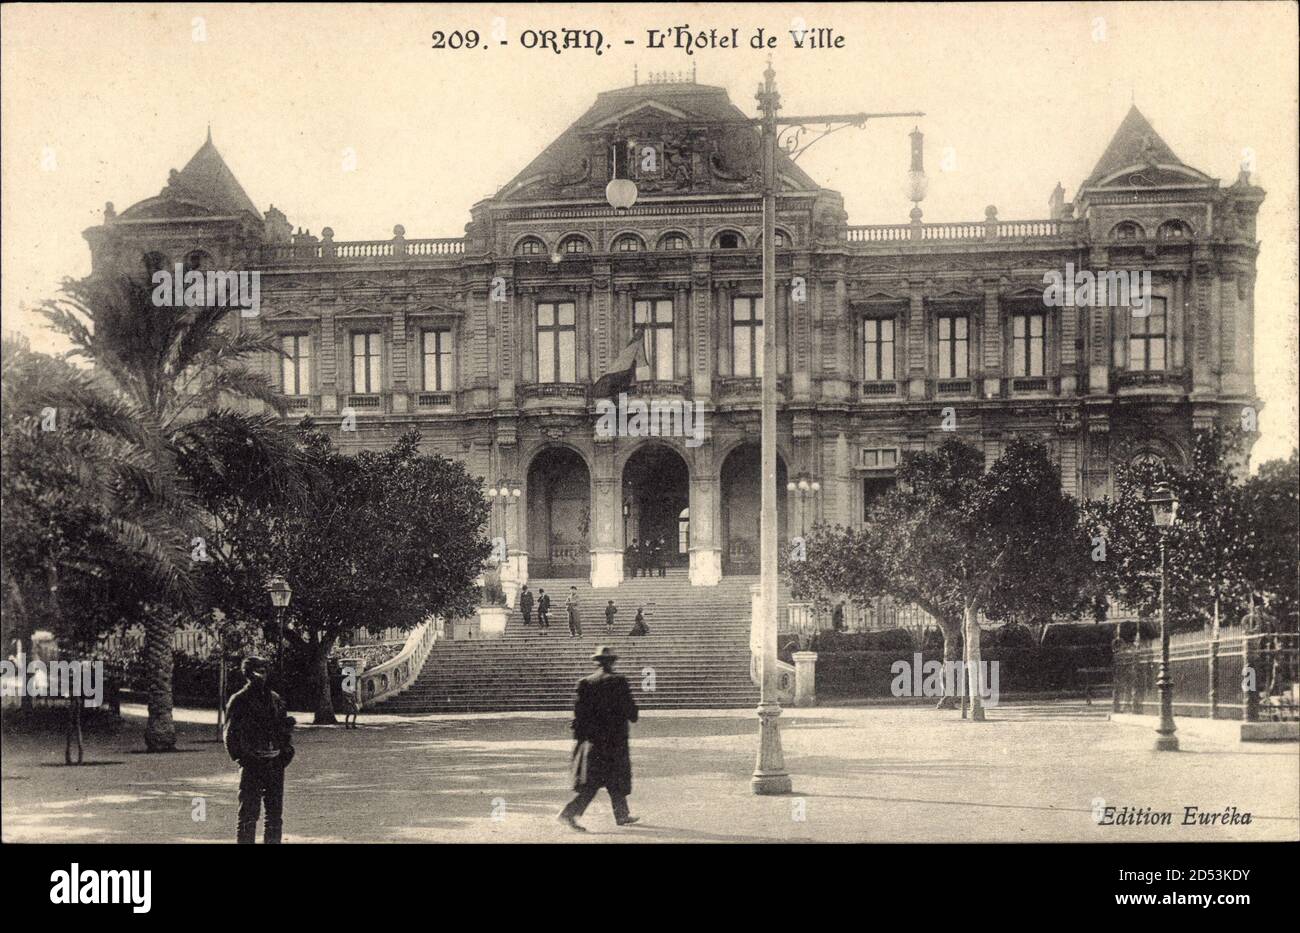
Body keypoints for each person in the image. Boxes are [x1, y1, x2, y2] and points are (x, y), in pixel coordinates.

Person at [557, 646, 640, 831]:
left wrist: (581, 743)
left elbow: (578, 717)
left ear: (596, 662)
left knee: (596, 780)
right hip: (615, 741)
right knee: (612, 778)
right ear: (612, 662)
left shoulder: (585, 683)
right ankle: (568, 813)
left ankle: (622, 814)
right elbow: (632, 713)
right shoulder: (619, 681)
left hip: (593, 742)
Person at [224, 656, 296, 844]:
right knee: (248, 815)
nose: (261, 676)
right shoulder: (239, 700)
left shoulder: (275, 699)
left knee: (274, 816)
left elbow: (283, 731)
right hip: (252, 765)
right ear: (247, 674)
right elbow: (231, 736)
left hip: (274, 763)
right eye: (257, 671)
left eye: (264, 671)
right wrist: (245, 758)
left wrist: (284, 752)